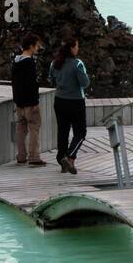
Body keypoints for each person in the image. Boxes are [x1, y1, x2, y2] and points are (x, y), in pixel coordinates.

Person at [49, 38, 90, 174]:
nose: (78, 49)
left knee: (63, 131)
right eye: (77, 46)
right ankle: (70, 156)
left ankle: (62, 159)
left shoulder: (54, 64)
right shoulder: (78, 64)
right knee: (81, 132)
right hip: (76, 102)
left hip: (59, 101)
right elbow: (85, 83)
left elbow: (51, 80)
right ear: (72, 48)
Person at [12, 33, 46, 166]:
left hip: (19, 102)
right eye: (37, 46)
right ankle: (34, 157)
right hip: (30, 103)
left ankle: (21, 156)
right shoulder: (29, 62)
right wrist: (35, 100)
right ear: (31, 46)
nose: (38, 48)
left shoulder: (16, 61)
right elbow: (31, 83)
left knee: (21, 130)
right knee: (34, 129)